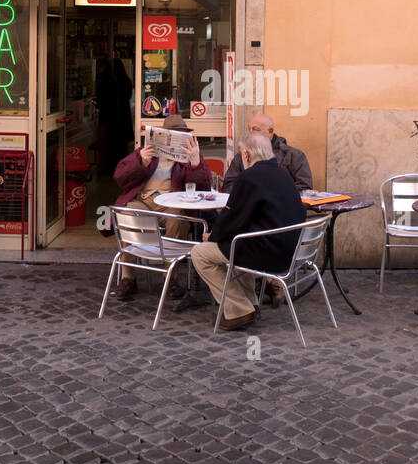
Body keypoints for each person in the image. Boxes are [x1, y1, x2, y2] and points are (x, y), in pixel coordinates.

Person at [191, 132, 307, 331]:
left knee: (200, 254)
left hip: (266, 252)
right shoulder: (283, 175)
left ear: (246, 155)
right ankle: (251, 304)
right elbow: (245, 218)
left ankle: (239, 310)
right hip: (288, 252)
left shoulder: (250, 176)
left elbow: (232, 217)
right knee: (235, 247)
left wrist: (213, 237)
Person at [107, 114, 212, 302]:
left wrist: (195, 164)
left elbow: (203, 188)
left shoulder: (189, 156)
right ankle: (127, 277)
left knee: (177, 219)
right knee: (128, 213)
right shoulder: (146, 151)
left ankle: (169, 277)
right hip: (144, 200)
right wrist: (141, 162)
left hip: (172, 203)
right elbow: (119, 177)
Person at [221, 114, 313, 193]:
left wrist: (270, 195)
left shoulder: (294, 156)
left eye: (256, 130)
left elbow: (305, 188)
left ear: (270, 131)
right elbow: (228, 186)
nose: (251, 133)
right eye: (249, 129)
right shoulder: (242, 155)